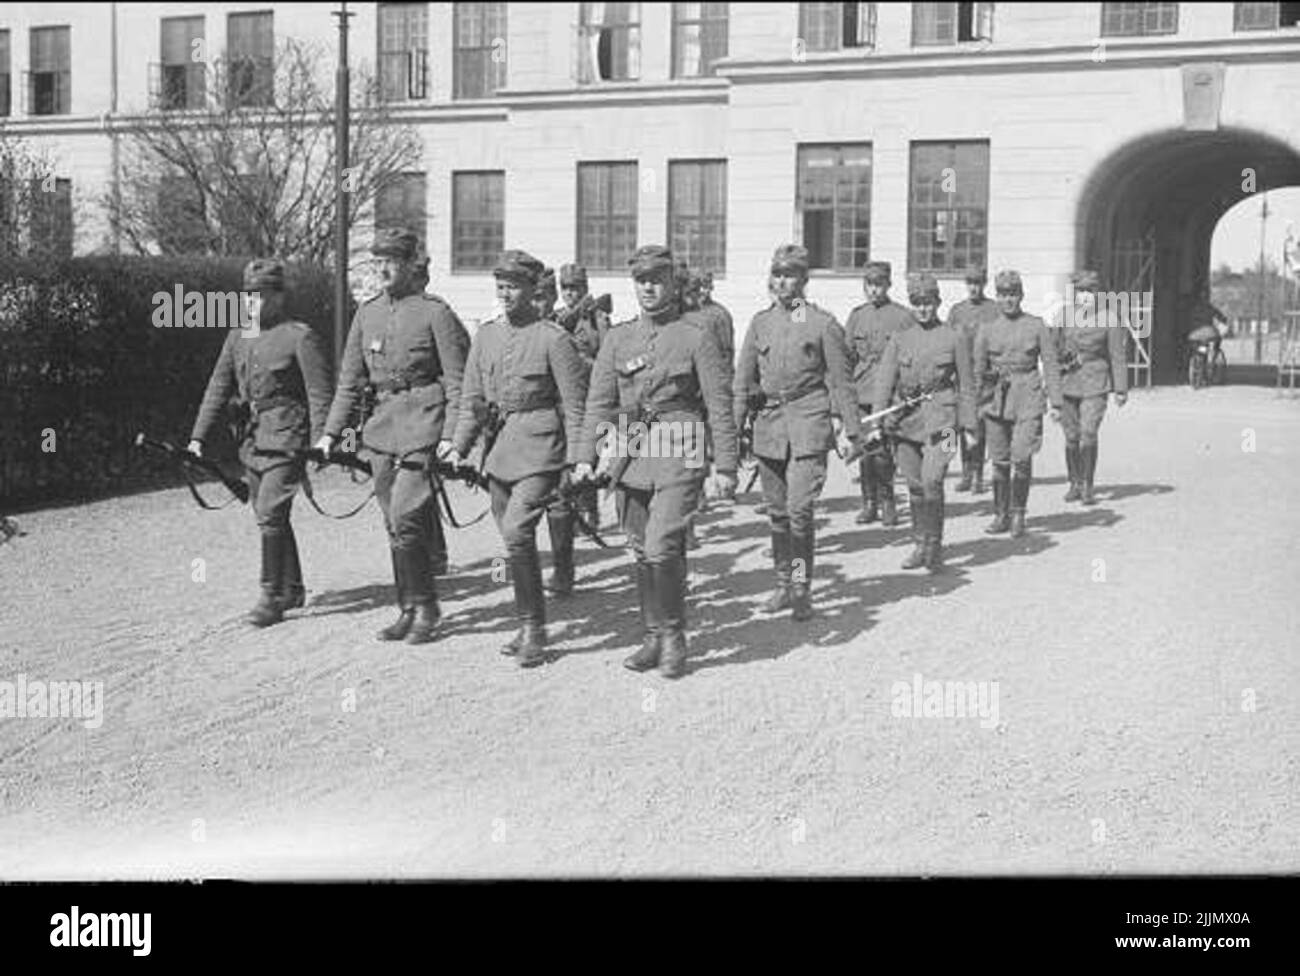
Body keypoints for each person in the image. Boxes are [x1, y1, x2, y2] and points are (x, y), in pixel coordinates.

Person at [572, 244, 738, 679]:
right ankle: (652, 635)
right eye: (641, 281)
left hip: (680, 444)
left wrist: (725, 466)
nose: (648, 287)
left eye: (657, 280)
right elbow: (598, 403)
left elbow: (720, 404)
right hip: (631, 448)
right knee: (641, 547)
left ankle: (674, 636)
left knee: (663, 541)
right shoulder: (617, 338)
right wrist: (585, 457)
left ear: (671, 283)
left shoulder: (695, 336)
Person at [315, 228, 468, 645]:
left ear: (409, 265)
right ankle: (408, 608)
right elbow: (349, 381)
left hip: (424, 419)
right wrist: (330, 433)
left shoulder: (435, 313)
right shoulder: (366, 314)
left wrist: (453, 437)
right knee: (392, 522)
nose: (382, 268)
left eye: (391, 261)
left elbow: (458, 382)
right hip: (382, 427)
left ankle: (428, 606)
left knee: (405, 515)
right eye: (376, 261)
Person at [443, 251, 589, 666]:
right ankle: (526, 621)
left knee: (517, 529)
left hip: (542, 448)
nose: (506, 294)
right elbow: (472, 397)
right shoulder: (486, 336)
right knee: (511, 538)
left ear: (532, 291)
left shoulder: (552, 338)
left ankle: (534, 628)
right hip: (500, 451)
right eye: (500, 287)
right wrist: (458, 444)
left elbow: (575, 406)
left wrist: (580, 458)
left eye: (514, 287)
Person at [188, 259, 333, 626]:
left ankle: (270, 596)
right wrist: (197, 438)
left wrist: (321, 442)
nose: (251, 302)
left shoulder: (299, 336)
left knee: (270, 509)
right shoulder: (239, 335)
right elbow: (218, 387)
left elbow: (319, 394)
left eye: (260, 295)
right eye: (247, 295)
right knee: (267, 513)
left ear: (278, 297)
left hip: (288, 437)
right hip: (252, 439)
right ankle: (293, 586)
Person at [734, 244, 860, 617]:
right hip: (770, 427)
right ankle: (784, 585)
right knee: (777, 513)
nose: (782, 282)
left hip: (808, 422)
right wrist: (731, 435)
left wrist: (852, 432)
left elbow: (841, 382)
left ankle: (802, 586)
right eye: (777, 274)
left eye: (790, 275)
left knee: (799, 510)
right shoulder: (760, 323)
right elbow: (742, 382)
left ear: (804, 280)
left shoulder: (821, 323)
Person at [868, 273, 976, 571]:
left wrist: (970, 427)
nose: (923, 309)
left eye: (928, 303)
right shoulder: (900, 338)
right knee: (915, 485)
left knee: (933, 479)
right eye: (917, 303)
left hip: (945, 421)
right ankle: (920, 544)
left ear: (938, 303)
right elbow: (884, 381)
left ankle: (935, 545)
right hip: (906, 422)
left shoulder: (954, 337)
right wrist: (878, 419)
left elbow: (967, 385)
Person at [973, 270, 1063, 538]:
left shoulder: (1036, 326)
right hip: (995, 401)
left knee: (1021, 457)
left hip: (1028, 396)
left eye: (1013, 294)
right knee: (1000, 461)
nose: (1008, 300)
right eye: (1003, 295)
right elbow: (978, 371)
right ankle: (1000, 514)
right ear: (997, 297)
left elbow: (1051, 365)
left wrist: (1055, 402)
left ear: (1021, 295)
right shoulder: (986, 329)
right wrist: (976, 406)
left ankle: (1018, 514)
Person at [844, 261, 913, 526]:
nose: (874, 291)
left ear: (888, 285)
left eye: (879, 285)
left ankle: (888, 501)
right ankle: (869, 502)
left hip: (889, 392)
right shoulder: (857, 316)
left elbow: (908, 355)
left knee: (884, 450)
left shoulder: (902, 316)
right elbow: (848, 357)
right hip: (862, 391)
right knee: (865, 450)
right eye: (870, 285)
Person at [1054, 270, 1129, 505]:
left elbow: (1117, 356)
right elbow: (1052, 352)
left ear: (1098, 294)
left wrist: (1121, 388)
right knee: (1071, 436)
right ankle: (1074, 482)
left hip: (1095, 382)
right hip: (1068, 382)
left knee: (1088, 433)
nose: (1086, 296)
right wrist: (1051, 386)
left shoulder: (1109, 318)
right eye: (1081, 292)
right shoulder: (1064, 315)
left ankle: (1087, 484)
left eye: (1090, 292)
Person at [945, 266, 999, 493]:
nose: (973, 287)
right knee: (956, 425)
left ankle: (978, 474)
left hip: (984, 377)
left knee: (978, 425)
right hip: (959, 376)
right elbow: (947, 341)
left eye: (977, 283)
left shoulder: (994, 310)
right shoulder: (957, 311)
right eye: (970, 283)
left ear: (984, 284)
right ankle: (964, 471)